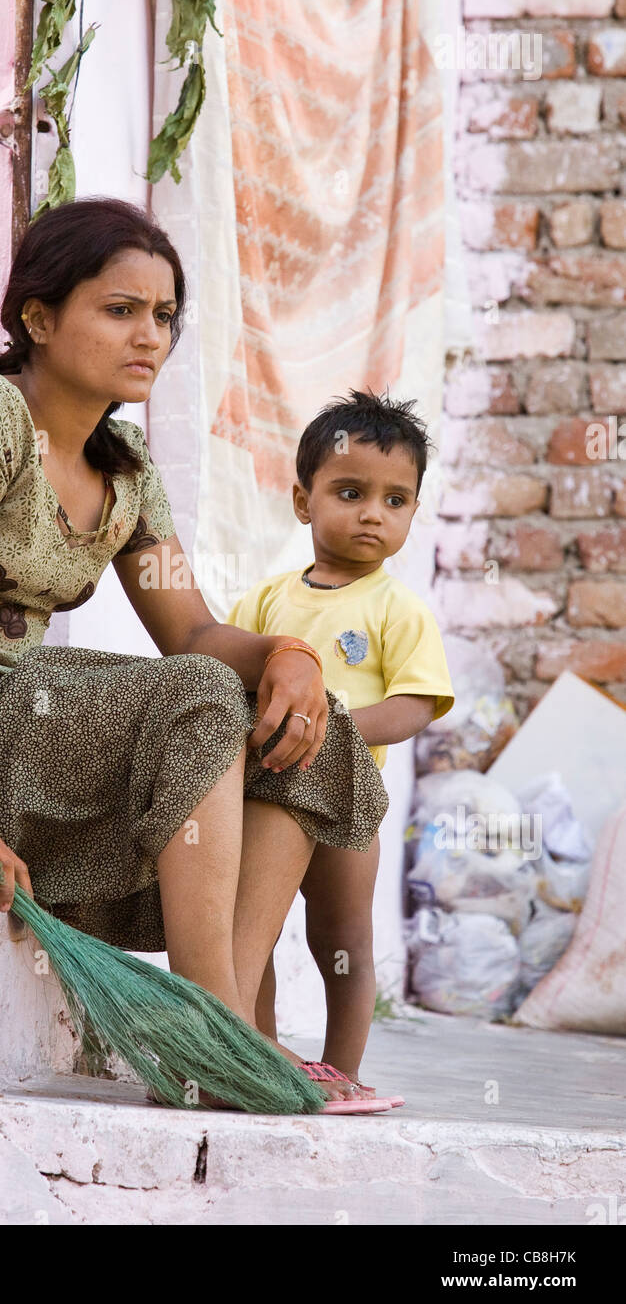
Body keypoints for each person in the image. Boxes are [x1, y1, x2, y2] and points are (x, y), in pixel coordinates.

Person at [0, 195, 389, 1109]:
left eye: (163, 315)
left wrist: (293, 656)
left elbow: (193, 631)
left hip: (46, 743)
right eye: (119, 310)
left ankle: (222, 1034)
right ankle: (212, 1028)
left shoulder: (124, 469)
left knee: (310, 727)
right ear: (38, 318)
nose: (150, 335)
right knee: (200, 693)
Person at [226, 390, 455, 1099]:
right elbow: (227, 675)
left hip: (350, 802)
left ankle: (344, 1071)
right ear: (303, 501)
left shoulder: (398, 609)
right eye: (350, 492)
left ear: (414, 513)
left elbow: (417, 703)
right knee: (249, 927)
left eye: (395, 500)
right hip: (266, 793)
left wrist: (333, 726)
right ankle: (256, 1047)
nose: (371, 514)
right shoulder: (266, 602)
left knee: (342, 939)